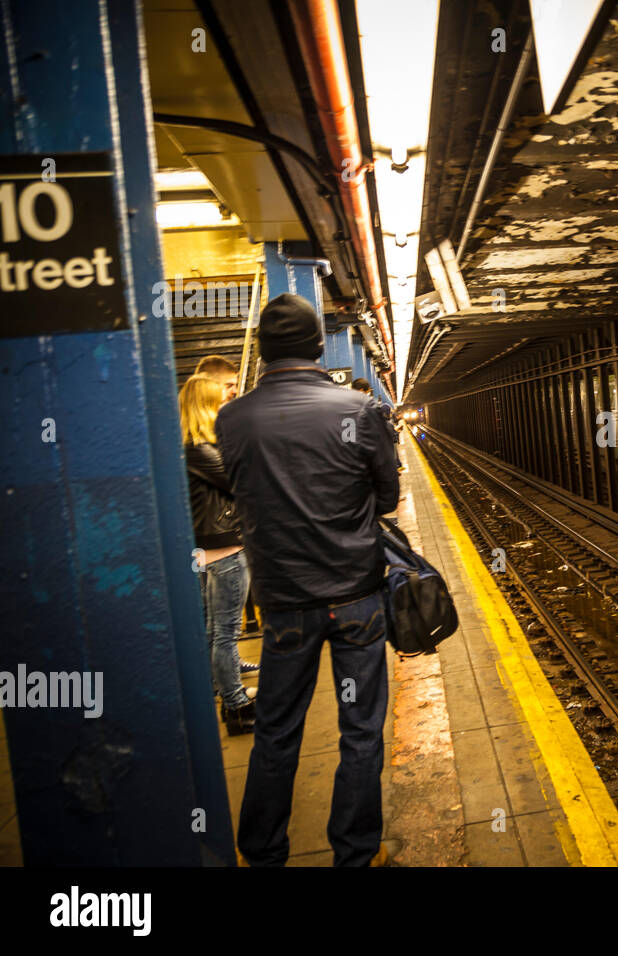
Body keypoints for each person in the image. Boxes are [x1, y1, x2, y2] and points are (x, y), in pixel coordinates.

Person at [217, 293, 399, 868]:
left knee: (276, 733)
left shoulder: (233, 418)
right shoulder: (358, 410)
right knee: (361, 731)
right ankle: (355, 852)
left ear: (263, 351)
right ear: (320, 346)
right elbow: (389, 497)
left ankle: (263, 852)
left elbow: (243, 491)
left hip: (284, 604)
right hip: (357, 599)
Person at [179, 377, 257, 735]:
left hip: (212, 547)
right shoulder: (200, 449)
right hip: (224, 548)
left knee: (215, 630)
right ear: (205, 406)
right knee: (226, 631)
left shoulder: (196, 447)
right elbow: (239, 479)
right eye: (219, 402)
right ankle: (236, 705)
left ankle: (224, 688)